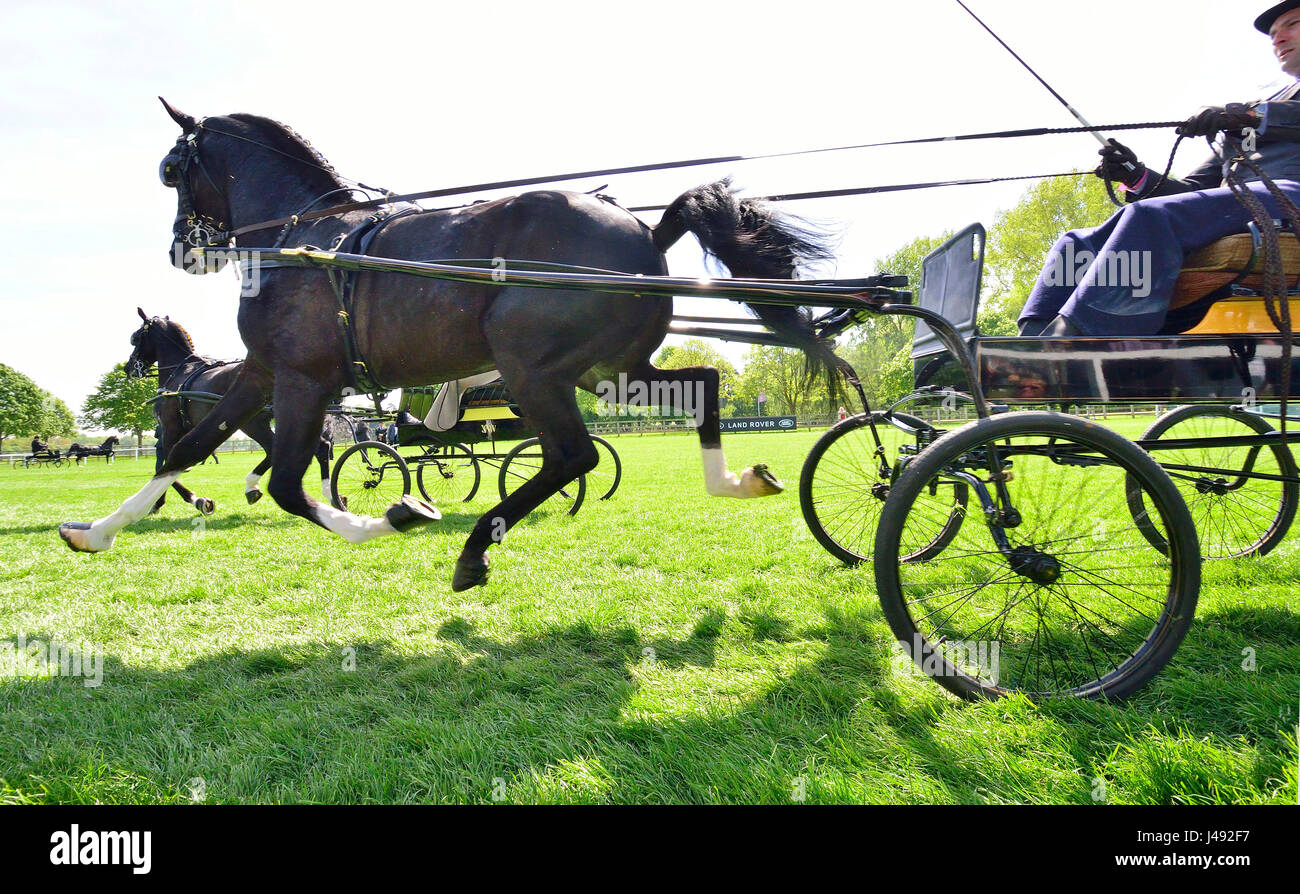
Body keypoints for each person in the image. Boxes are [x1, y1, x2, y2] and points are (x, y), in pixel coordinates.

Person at [1019, 1, 1300, 337]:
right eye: (1273, 33)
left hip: (1290, 199)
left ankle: (1077, 341)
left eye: (1292, 24)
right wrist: (1134, 174)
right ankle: (1027, 344)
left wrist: (1247, 115)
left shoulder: (1257, 113)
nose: (1277, 39)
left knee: (1148, 218)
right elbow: (1191, 195)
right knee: (1076, 243)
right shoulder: (1249, 119)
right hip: (1244, 206)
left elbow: (1272, 117)